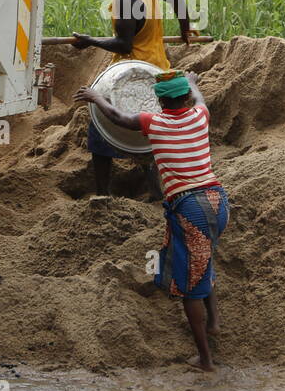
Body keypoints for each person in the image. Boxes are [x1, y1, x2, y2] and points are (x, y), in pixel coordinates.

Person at [76, 70, 229, 371]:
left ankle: (206, 360)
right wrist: (195, 83)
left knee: (189, 287)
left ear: (159, 101)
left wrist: (96, 97)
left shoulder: (154, 122)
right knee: (203, 258)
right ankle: (214, 322)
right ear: (186, 98)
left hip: (190, 207)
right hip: (218, 201)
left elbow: (119, 118)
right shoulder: (200, 116)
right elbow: (199, 98)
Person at [72, 0, 195, 197]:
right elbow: (177, 0)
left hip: (131, 76)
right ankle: (156, 192)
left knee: (100, 136)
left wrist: (89, 41)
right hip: (160, 71)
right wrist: (186, 27)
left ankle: (103, 194)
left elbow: (123, 45)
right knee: (147, 136)